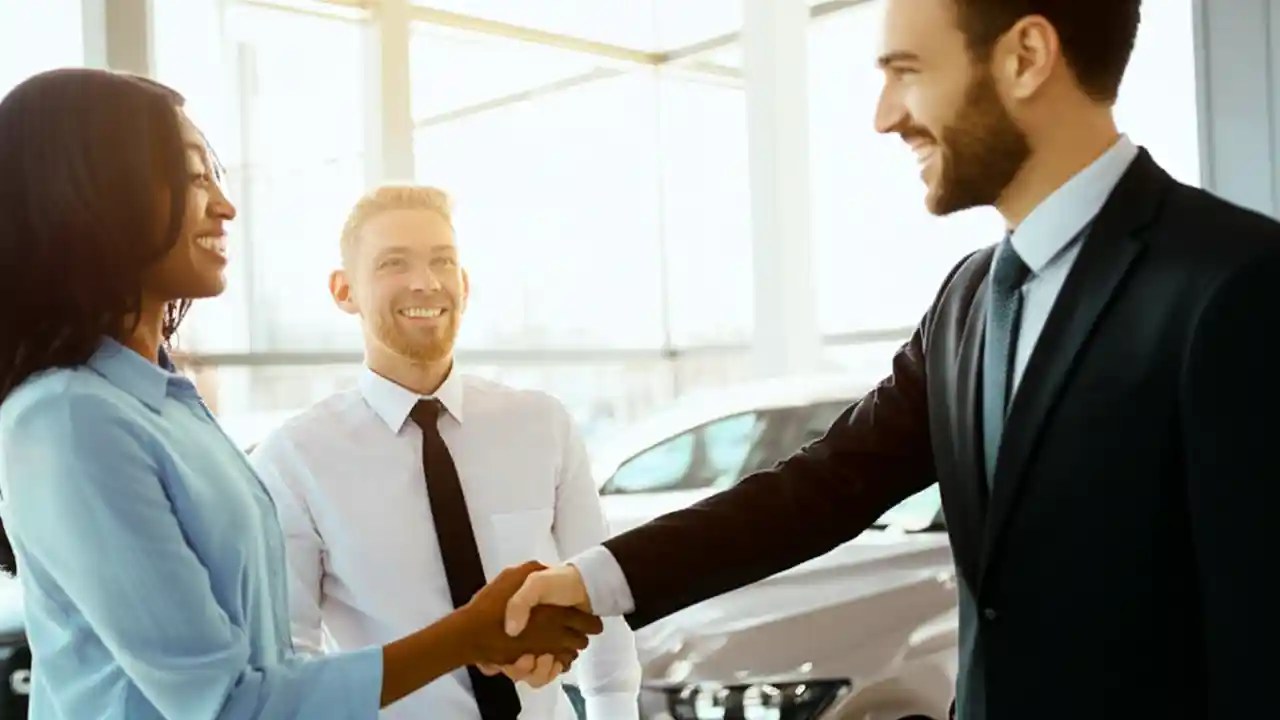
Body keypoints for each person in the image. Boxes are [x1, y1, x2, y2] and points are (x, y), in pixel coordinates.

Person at [499, 1, 1280, 718]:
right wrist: (590, 583)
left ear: (1026, 57)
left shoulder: (1239, 285)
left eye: (907, 71)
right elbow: (825, 485)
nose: (885, 117)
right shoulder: (970, 297)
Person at [0, 68, 601, 720]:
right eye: (194, 178)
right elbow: (228, 705)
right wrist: (464, 636)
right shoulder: (69, 420)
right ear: (91, 195)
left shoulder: (165, 405)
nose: (224, 207)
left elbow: (271, 669)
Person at [249, 184, 642, 720]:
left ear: (465, 283)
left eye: (442, 261)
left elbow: (602, 599)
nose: (425, 282)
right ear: (345, 290)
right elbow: (291, 657)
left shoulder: (541, 424)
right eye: (394, 262)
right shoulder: (294, 460)